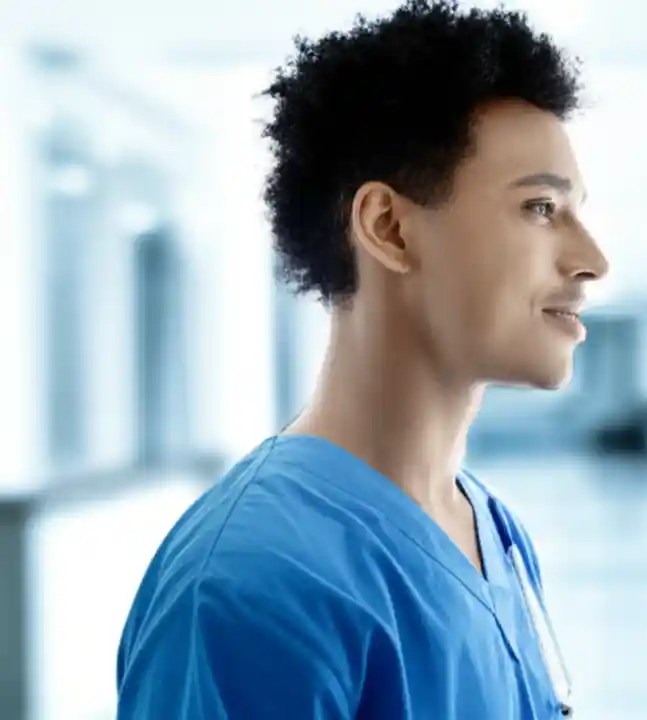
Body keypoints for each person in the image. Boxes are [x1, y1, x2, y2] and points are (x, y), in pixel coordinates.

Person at [115, 1, 608, 717]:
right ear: (389, 228)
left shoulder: (494, 531)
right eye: (539, 208)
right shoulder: (249, 585)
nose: (592, 260)